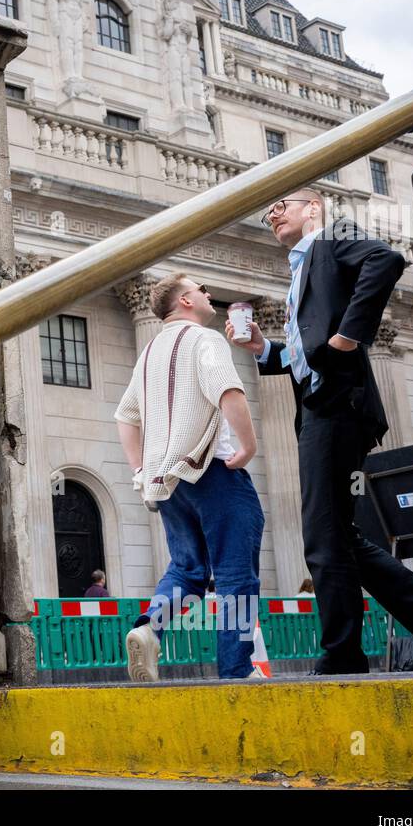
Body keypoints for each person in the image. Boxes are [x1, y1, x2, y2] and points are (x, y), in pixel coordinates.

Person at [226, 189, 413, 674]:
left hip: (339, 405)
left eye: (282, 205)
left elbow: (385, 260)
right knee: (338, 535)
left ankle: (343, 654)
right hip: (321, 406)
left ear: (313, 208)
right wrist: (264, 349)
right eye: (267, 211)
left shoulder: (331, 236)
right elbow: (306, 355)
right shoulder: (301, 268)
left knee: (322, 536)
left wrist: (349, 335)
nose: (273, 214)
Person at [116, 273, 264, 681]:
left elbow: (126, 416)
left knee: (186, 569)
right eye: (201, 289)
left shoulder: (148, 353)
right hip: (211, 470)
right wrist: (247, 448)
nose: (209, 293)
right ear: (185, 300)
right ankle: (237, 670)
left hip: (166, 483)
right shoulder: (205, 340)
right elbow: (229, 392)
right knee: (236, 574)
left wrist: (140, 470)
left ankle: (148, 628)